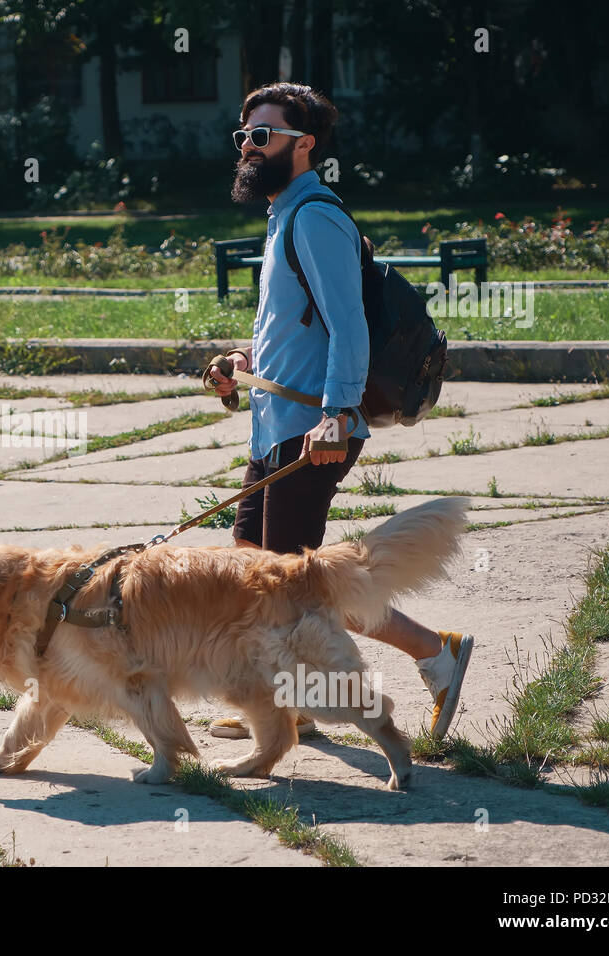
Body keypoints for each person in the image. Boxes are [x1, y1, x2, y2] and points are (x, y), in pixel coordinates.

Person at [207, 82, 471, 742]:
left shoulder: (315, 217)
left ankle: (433, 655)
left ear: (304, 145)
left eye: (261, 137)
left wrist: (336, 413)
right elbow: (298, 326)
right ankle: (297, 701)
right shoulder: (283, 216)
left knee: (297, 586)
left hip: (314, 428)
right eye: (243, 136)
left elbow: (348, 326)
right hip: (276, 424)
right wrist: (241, 361)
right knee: (255, 563)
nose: (247, 148)